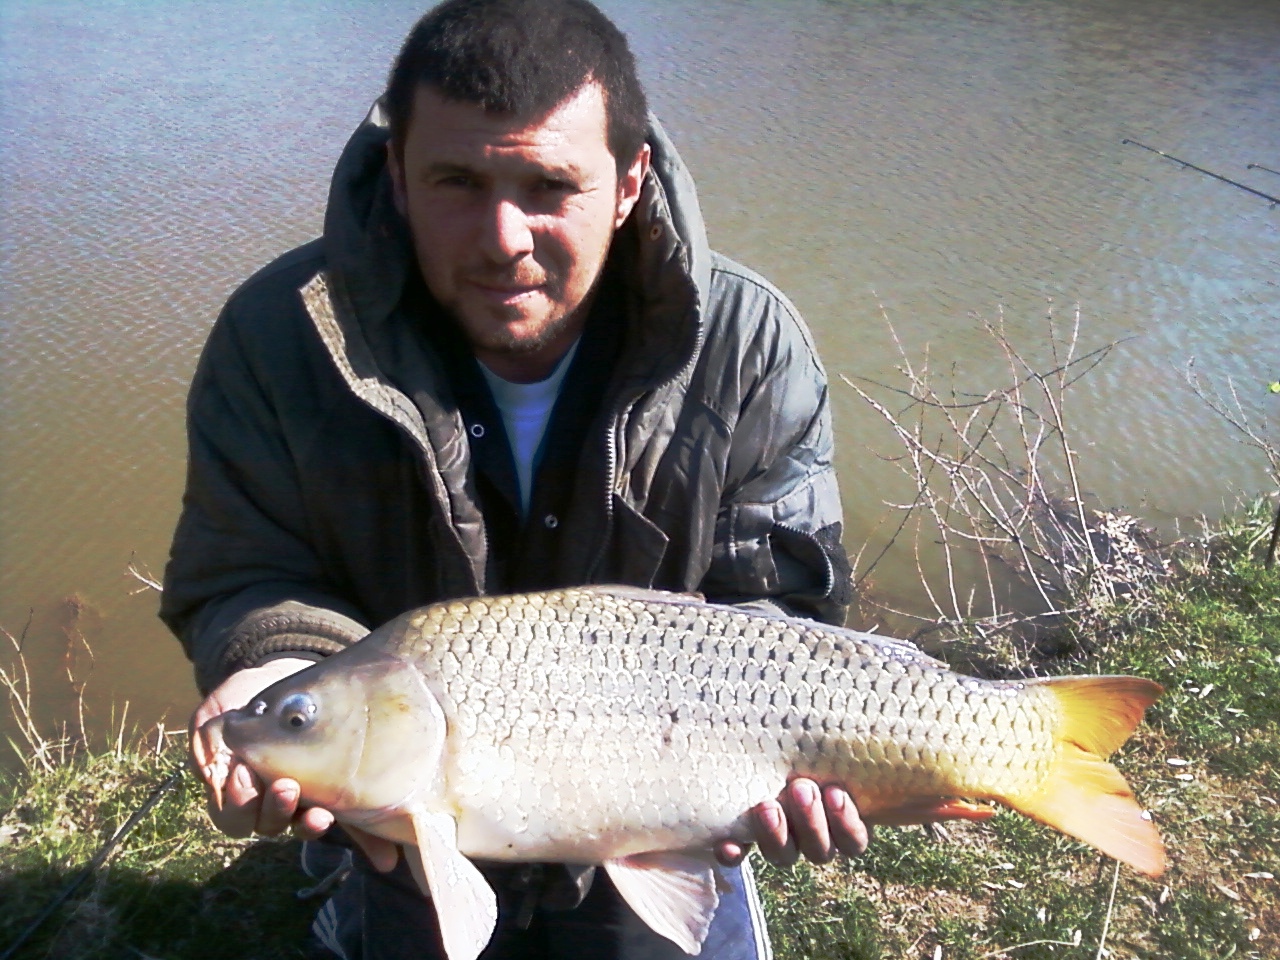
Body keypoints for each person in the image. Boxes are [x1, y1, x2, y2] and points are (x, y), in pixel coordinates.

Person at [162, 0, 867, 956]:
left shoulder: (747, 344)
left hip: (675, 791)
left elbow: (779, 603)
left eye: (550, 185)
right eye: (457, 180)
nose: (504, 237)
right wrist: (280, 668)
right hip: (402, 813)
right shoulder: (282, 337)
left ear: (628, 183)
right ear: (399, 179)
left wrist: (787, 761)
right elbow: (244, 566)